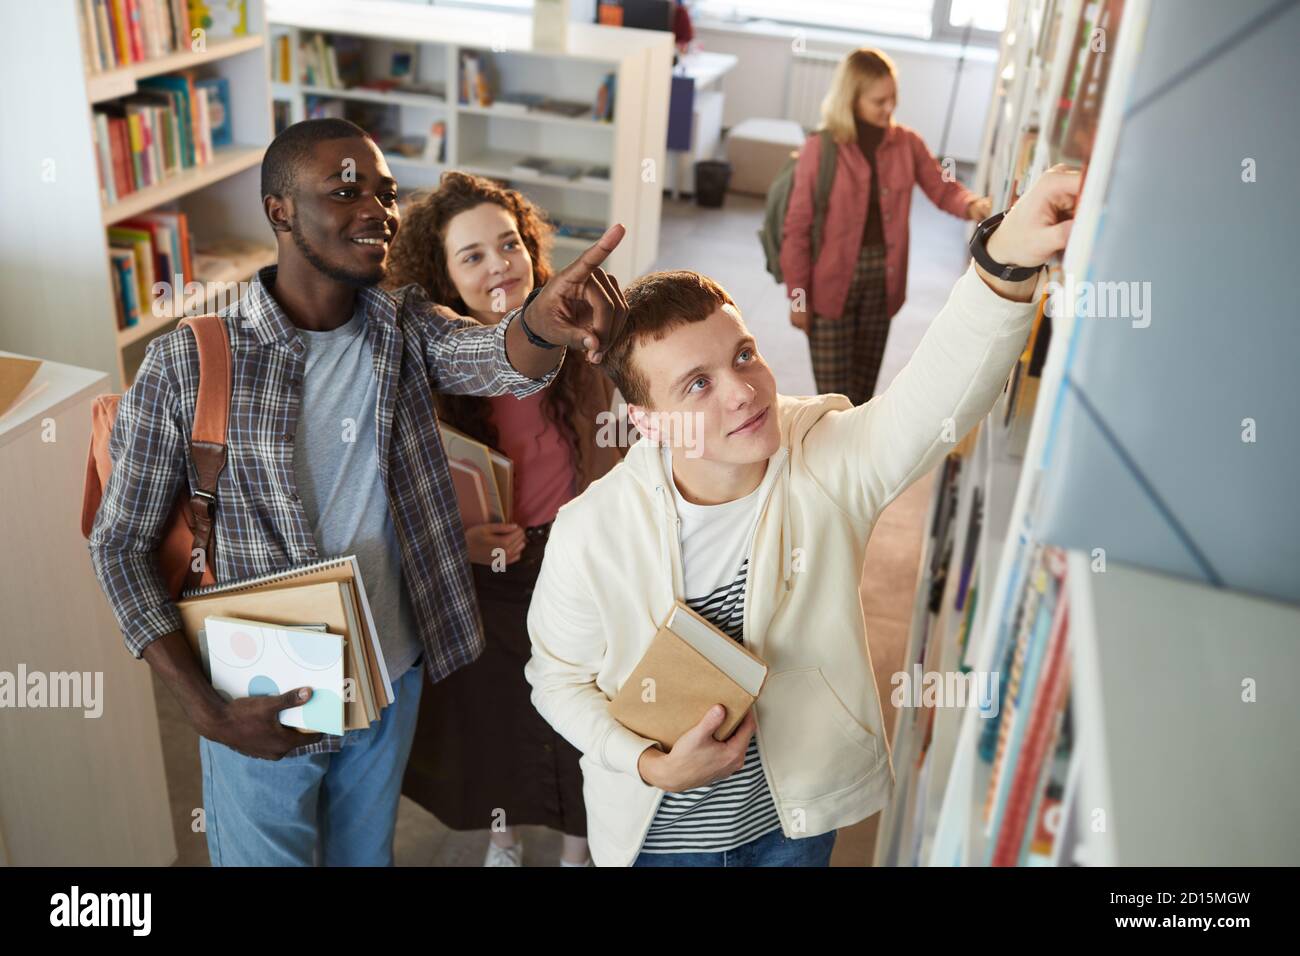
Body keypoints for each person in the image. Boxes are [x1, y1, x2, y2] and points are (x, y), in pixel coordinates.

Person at [88, 118, 628, 866]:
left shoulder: (403, 325)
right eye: (346, 190)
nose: (378, 209)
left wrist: (544, 316)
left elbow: (496, 357)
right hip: (261, 692)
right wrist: (205, 708)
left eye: (384, 192)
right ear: (280, 210)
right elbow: (119, 546)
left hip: (389, 679)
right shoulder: (191, 359)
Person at [526, 167, 1079, 867]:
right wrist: (648, 765)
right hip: (657, 841)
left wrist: (1004, 261)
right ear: (647, 422)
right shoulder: (590, 532)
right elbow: (558, 681)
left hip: (792, 827)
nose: (743, 391)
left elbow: (935, 398)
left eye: (745, 355)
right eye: (698, 384)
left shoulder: (824, 462)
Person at [384, 172, 624, 867]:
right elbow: (398, 499)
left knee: (584, 711)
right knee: (496, 717)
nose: (499, 265)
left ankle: (580, 850)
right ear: (442, 274)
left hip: (577, 561)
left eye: (509, 244)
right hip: (484, 573)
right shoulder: (426, 366)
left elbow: (630, 438)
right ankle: (505, 842)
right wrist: (463, 541)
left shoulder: (579, 341)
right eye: (473, 256)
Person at [782, 47, 995, 406]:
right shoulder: (821, 149)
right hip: (830, 285)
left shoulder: (907, 143)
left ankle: (854, 461)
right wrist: (798, 297)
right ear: (852, 99)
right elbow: (796, 229)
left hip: (883, 282)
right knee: (835, 398)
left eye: (893, 99)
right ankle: (835, 458)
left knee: (862, 395)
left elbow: (942, 186)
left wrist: (973, 204)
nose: (888, 109)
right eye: (878, 101)